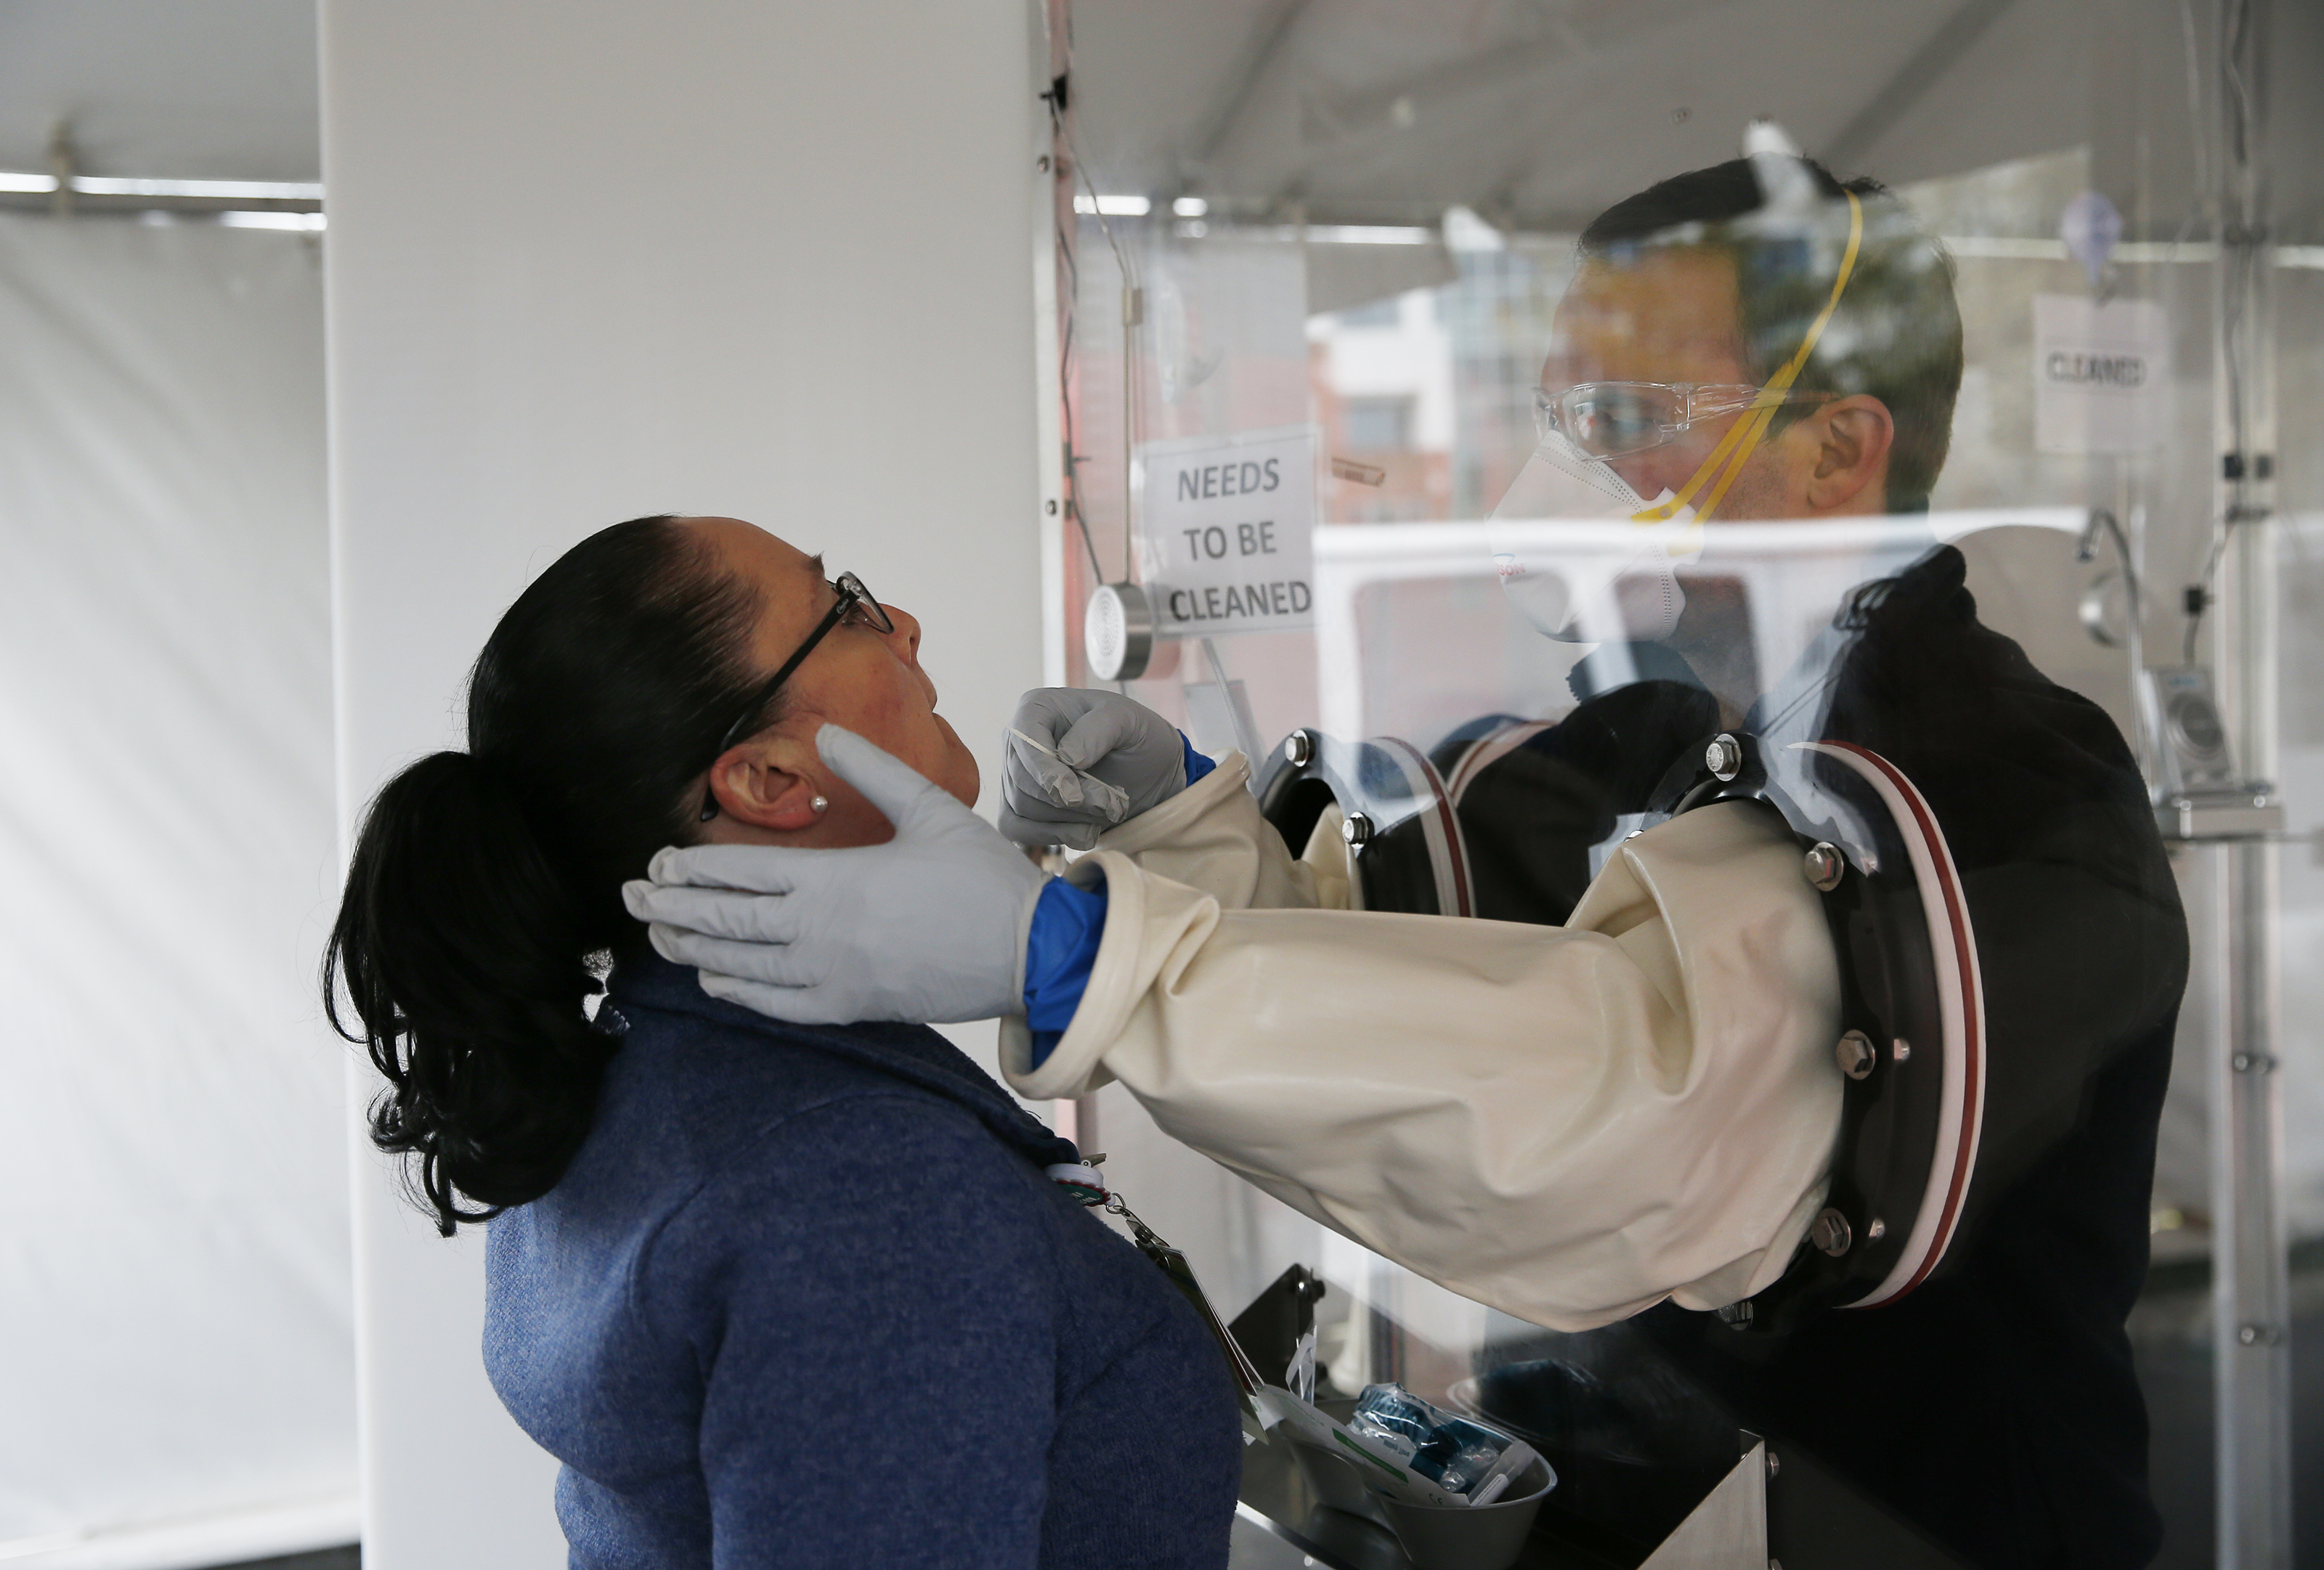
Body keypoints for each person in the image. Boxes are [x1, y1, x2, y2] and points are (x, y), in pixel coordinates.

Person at [629, 157, 2186, 1569]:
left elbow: (1610, 1122)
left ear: (1839, 447)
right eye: (1560, 419)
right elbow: (1389, 1005)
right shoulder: (1663, 730)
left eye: (1623, 419)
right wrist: (1175, 828)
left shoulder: (1999, 799)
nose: (1556, 478)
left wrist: (1077, 957)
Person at [324, 515, 1241, 1570]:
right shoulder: (857, 1185)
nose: (903, 623)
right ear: (765, 779)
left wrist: (1176, 834)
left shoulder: (643, 1060)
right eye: (845, 608)